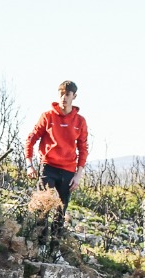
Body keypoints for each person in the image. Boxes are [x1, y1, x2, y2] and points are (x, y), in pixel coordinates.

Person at [24, 80, 89, 252]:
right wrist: (29, 164)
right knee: (43, 205)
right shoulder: (48, 116)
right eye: (61, 93)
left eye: (67, 94)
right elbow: (31, 138)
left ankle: (54, 250)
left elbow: (83, 147)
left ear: (74, 96)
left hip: (68, 170)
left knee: (61, 210)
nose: (64, 97)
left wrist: (78, 174)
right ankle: (41, 245)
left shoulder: (80, 121)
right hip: (49, 166)